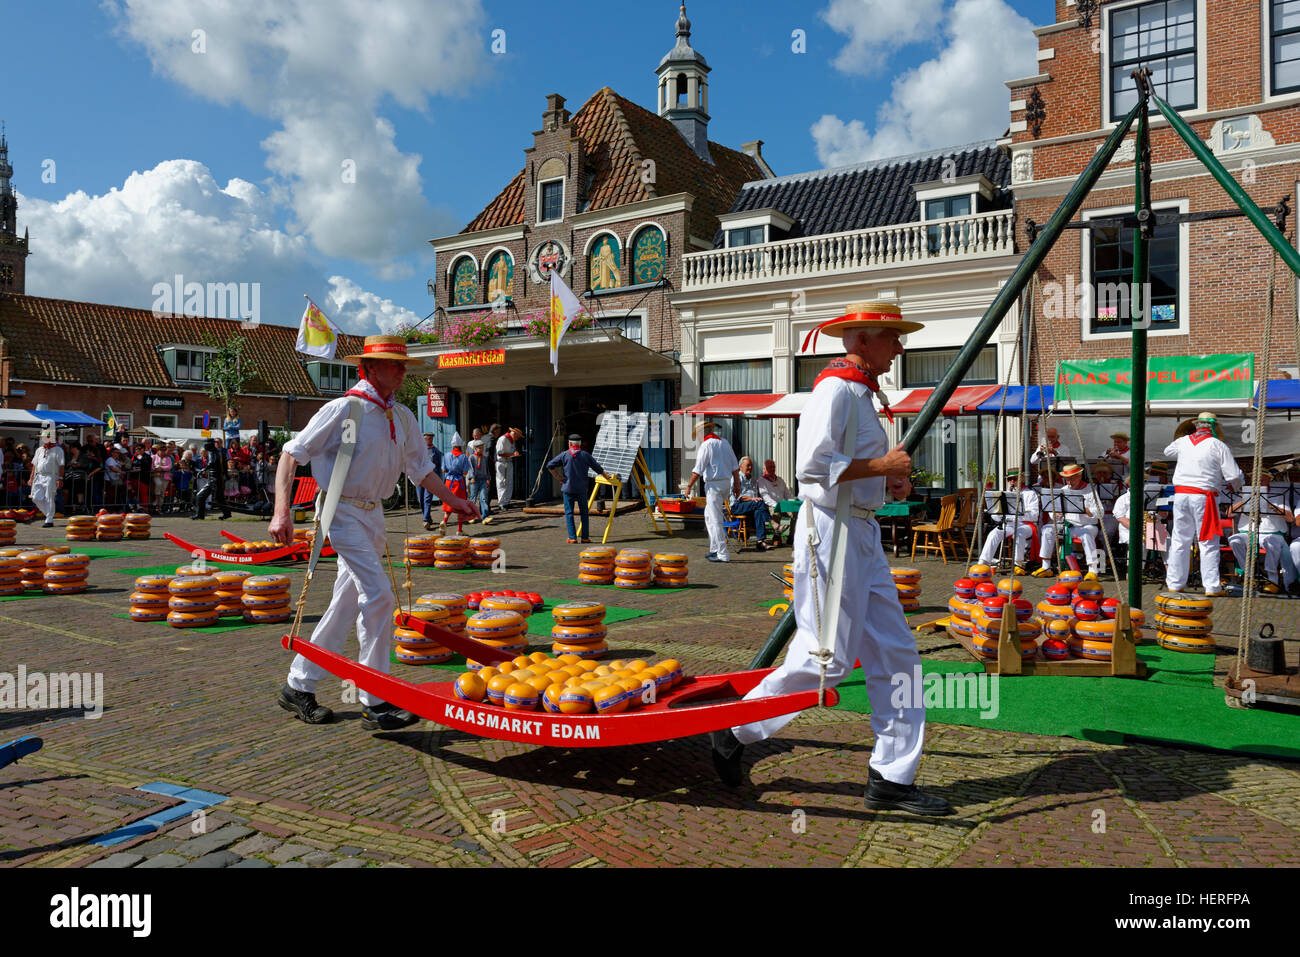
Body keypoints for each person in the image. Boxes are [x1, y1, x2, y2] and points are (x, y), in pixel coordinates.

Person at [710, 301, 951, 815]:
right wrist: (881, 463)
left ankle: (892, 776)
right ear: (861, 340)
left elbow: (846, 467)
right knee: (828, 659)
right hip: (832, 533)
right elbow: (810, 469)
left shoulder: (860, 393)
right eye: (892, 337)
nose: (900, 347)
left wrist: (883, 477)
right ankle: (735, 729)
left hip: (860, 532)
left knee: (899, 657)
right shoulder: (835, 390)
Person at [270, 335, 477, 731]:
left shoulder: (400, 416)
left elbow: (421, 470)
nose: (401, 369)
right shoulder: (344, 409)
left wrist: (454, 499)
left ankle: (299, 685)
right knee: (379, 595)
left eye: (402, 363)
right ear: (369, 368)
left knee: (347, 603)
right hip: (341, 509)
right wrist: (282, 513)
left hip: (374, 514)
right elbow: (291, 454)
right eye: (393, 363)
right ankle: (376, 699)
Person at [1163, 412, 1242, 596]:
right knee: (1208, 542)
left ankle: (1175, 583)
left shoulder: (1182, 442)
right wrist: (1235, 487)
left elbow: (1168, 451)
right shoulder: (1218, 445)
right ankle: (1212, 587)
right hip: (1204, 498)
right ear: (1214, 427)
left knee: (1180, 540)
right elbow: (1234, 475)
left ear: (1196, 426)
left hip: (1181, 495)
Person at [1227, 474, 1296, 595]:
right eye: (1256, 479)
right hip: (1248, 532)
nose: (1258, 482)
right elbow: (1229, 514)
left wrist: (1271, 506)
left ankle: (1272, 579)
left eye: (1262, 479)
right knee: (1234, 540)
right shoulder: (1245, 494)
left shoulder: (1278, 495)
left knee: (1272, 543)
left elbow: (1290, 518)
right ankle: (1247, 575)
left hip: (1272, 532)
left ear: (1269, 480)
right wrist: (1246, 500)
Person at [977, 467, 1053, 576]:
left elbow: (1034, 515)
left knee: (1020, 533)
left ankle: (1018, 564)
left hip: (1027, 525)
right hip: (1009, 524)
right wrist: (996, 514)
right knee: (994, 533)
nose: (1012, 482)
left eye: (1015, 479)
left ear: (1021, 479)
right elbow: (997, 517)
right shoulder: (1005, 494)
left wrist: (1017, 515)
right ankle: (983, 562)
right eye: (1010, 479)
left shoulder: (1030, 494)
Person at [683, 420, 740, 563]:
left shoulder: (706, 445)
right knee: (709, 516)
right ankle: (714, 548)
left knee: (715, 520)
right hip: (725, 483)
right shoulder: (725, 443)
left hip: (714, 486)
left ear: (703, 433)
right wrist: (737, 485)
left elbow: (698, 470)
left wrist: (689, 486)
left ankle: (722, 554)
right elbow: (735, 467)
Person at [547, 434, 612, 543]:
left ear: (569, 444)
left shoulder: (565, 455)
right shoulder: (585, 455)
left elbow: (550, 465)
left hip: (568, 489)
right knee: (584, 513)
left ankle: (572, 538)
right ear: (580, 444)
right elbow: (598, 468)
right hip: (582, 489)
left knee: (569, 513)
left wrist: (558, 477)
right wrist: (607, 477)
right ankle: (585, 537)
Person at [1052, 463, 1105, 577]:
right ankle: (1045, 565)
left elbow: (1100, 513)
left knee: (1086, 534)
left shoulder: (1090, 490)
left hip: (1087, 525)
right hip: (1068, 526)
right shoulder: (1062, 490)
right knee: (1047, 530)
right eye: (1067, 479)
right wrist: (1056, 514)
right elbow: (1052, 511)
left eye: (1071, 478)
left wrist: (1087, 511)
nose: (1069, 482)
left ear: (1079, 476)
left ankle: (1092, 569)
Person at [730, 456, 775, 552]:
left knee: (759, 511)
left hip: (751, 506)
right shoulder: (736, 478)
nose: (750, 468)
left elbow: (757, 496)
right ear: (740, 467)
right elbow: (738, 496)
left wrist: (755, 499)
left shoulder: (754, 480)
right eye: (748, 465)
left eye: (751, 466)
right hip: (737, 506)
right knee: (758, 503)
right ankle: (772, 522)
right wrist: (752, 499)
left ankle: (760, 542)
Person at [191, 439, 232, 520]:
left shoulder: (212, 452)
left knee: (201, 496)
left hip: (214, 479)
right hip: (214, 479)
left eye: (205, 444)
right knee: (218, 498)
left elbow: (211, 463)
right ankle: (227, 513)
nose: (204, 446)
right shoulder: (215, 451)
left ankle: (200, 515)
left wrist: (203, 469)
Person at [29, 432, 64, 527]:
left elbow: (61, 465)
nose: (44, 439)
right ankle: (48, 515)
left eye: (47, 437)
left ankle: (49, 519)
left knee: (49, 497)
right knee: (35, 498)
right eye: (43, 437)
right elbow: (34, 465)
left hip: (51, 476)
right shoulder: (39, 450)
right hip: (39, 476)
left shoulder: (58, 450)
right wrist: (31, 478)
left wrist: (60, 478)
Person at [757, 459, 792, 547]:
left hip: (783, 505)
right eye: (769, 467)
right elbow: (765, 497)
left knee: (795, 513)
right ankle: (777, 537)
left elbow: (787, 494)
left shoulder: (780, 480)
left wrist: (791, 503)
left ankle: (791, 537)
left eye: (773, 467)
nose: (772, 469)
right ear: (764, 469)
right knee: (775, 512)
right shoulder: (761, 481)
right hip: (770, 506)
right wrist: (777, 505)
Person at [440, 440, 471, 535]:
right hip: (459, 482)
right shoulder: (464, 457)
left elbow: (444, 470)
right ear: (460, 446)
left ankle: (444, 521)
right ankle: (459, 530)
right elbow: (465, 472)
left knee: (449, 503)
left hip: (449, 482)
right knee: (460, 506)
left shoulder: (446, 455)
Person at [418, 433, 445, 531]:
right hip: (420, 478)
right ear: (424, 440)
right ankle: (428, 517)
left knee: (427, 499)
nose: (429, 440)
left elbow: (438, 467)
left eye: (431, 439)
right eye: (427, 439)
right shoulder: (419, 451)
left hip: (430, 478)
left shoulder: (436, 451)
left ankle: (425, 520)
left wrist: (439, 480)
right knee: (421, 499)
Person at [494, 426, 522, 513]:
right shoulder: (502, 439)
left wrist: (514, 454)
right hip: (501, 462)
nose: (517, 439)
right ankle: (501, 503)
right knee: (501, 482)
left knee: (509, 482)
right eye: (517, 436)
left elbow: (511, 451)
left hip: (509, 462)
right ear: (514, 434)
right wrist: (512, 454)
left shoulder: (512, 440)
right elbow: (500, 453)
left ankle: (507, 501)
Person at [467, 438, 491, 524]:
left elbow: (486, 469)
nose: (481, 449)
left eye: (482, 448)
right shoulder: (471, 457)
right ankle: (471, 516)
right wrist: (472, 477)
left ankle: (485, 517)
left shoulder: (484, 458)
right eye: (480, 448)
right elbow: (470, 468)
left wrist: (488, 478)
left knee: (484, 498)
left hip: (483, 480)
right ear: (475, 448)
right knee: (473, 498)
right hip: (475, 480)